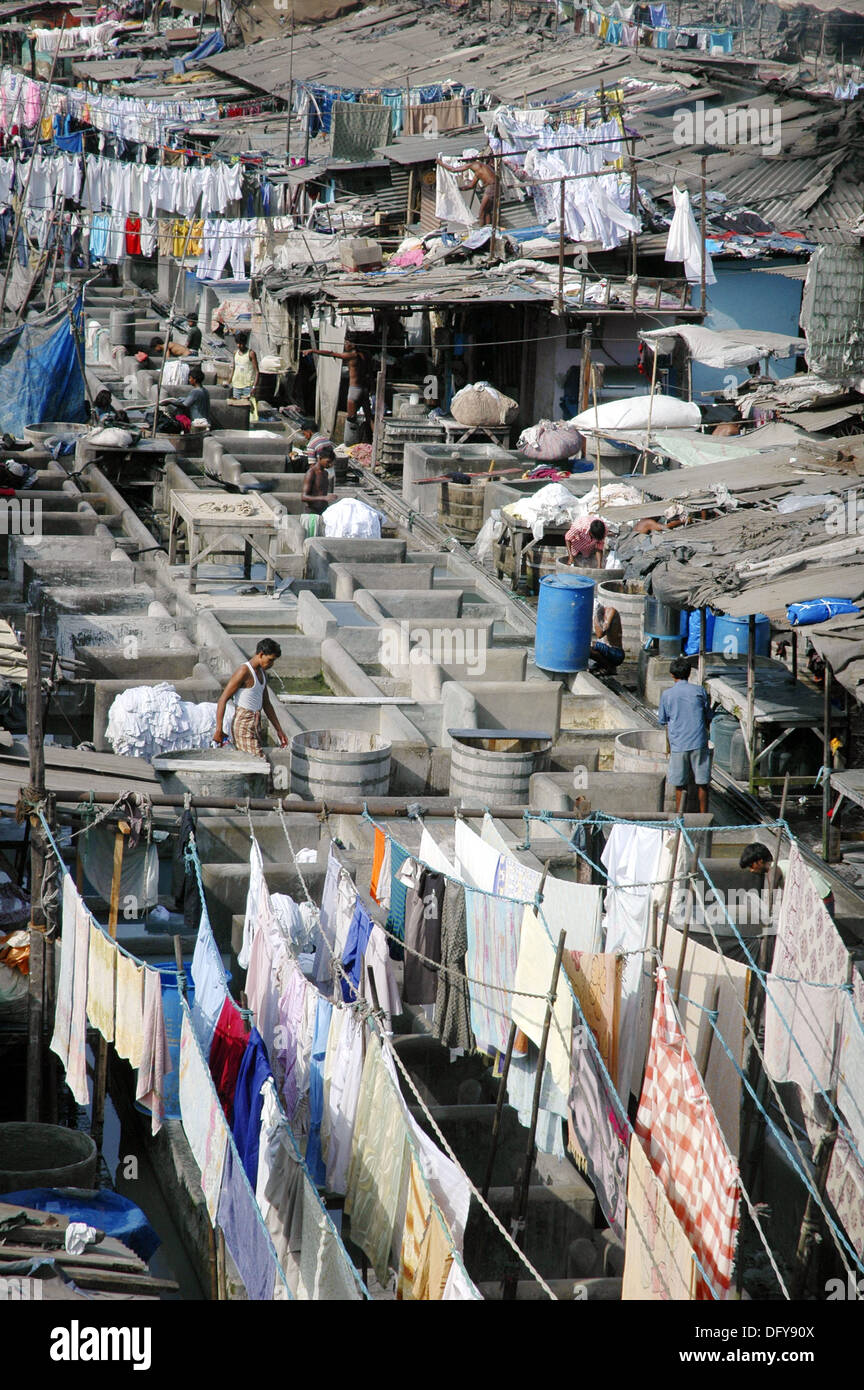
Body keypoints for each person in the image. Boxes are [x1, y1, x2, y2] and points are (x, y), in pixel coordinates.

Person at [213, 638, 287, 758]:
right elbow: (223, 699)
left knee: (251, 764)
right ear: (261, 654)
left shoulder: (262, 673)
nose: (271, 665)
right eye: (270, 660)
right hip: (243, 725)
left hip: (255, 725)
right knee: (258, 762)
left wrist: (279, 730)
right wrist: (218, 730)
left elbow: (267, 704)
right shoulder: (244, 671)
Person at [657, 657, 711, 813]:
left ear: (672, 675)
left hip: (679, 744)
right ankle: (704, 817)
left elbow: (663, 720)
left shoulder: (667, 695)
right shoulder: (699, 691)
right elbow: (708, 716)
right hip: (699, 742)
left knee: (679, 784)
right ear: (689, 674)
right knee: (702, 783)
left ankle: (680, 817)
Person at [739, 843, 835, 919]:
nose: (751, 870)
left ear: (760, 861)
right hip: (821, 895)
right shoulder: (782, 864)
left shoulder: (774, 870)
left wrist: (768, 911)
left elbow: (772, 889)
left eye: (751, 866)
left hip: (819, 898)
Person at [304, 338, 372, 436]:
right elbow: (370, 373)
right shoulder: (365, 355)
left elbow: (331, 353)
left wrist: (313, 350)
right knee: (369, 417)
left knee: (351, 420)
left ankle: (351, 443)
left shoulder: (351, 356)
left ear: (352, 345)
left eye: (346, 343)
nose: (344, 345)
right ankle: (375, 438)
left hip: (354, 391)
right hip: (364, 389)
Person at [590, 603, 625, 673]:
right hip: (608, 650)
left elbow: (599, 634)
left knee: (587, 649)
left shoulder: (611, 612)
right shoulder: (601, 616)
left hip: (616, 653)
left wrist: (595, 617)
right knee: (586, 646)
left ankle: (609, 667)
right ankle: (606, 665)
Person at [302, 446, 335, 515]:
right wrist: (323, 498)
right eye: (328, 462)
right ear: (320, 458)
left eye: (331, 462)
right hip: (312, 512)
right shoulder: (311, 473)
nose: (330, 464)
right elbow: (304, 497)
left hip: (324, 511)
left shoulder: (325, 473)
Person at [231, 331, 259, 399]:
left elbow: (257, 372)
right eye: (237, 343)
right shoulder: (235, 353)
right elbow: (233, 369)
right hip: (236, 386)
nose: (239, 345)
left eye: (241, 343)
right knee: (236, 407)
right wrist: (229, 382)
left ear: (245, 343)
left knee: (247, 407)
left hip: (247, 387)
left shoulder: (251, 354)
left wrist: (254, 387)